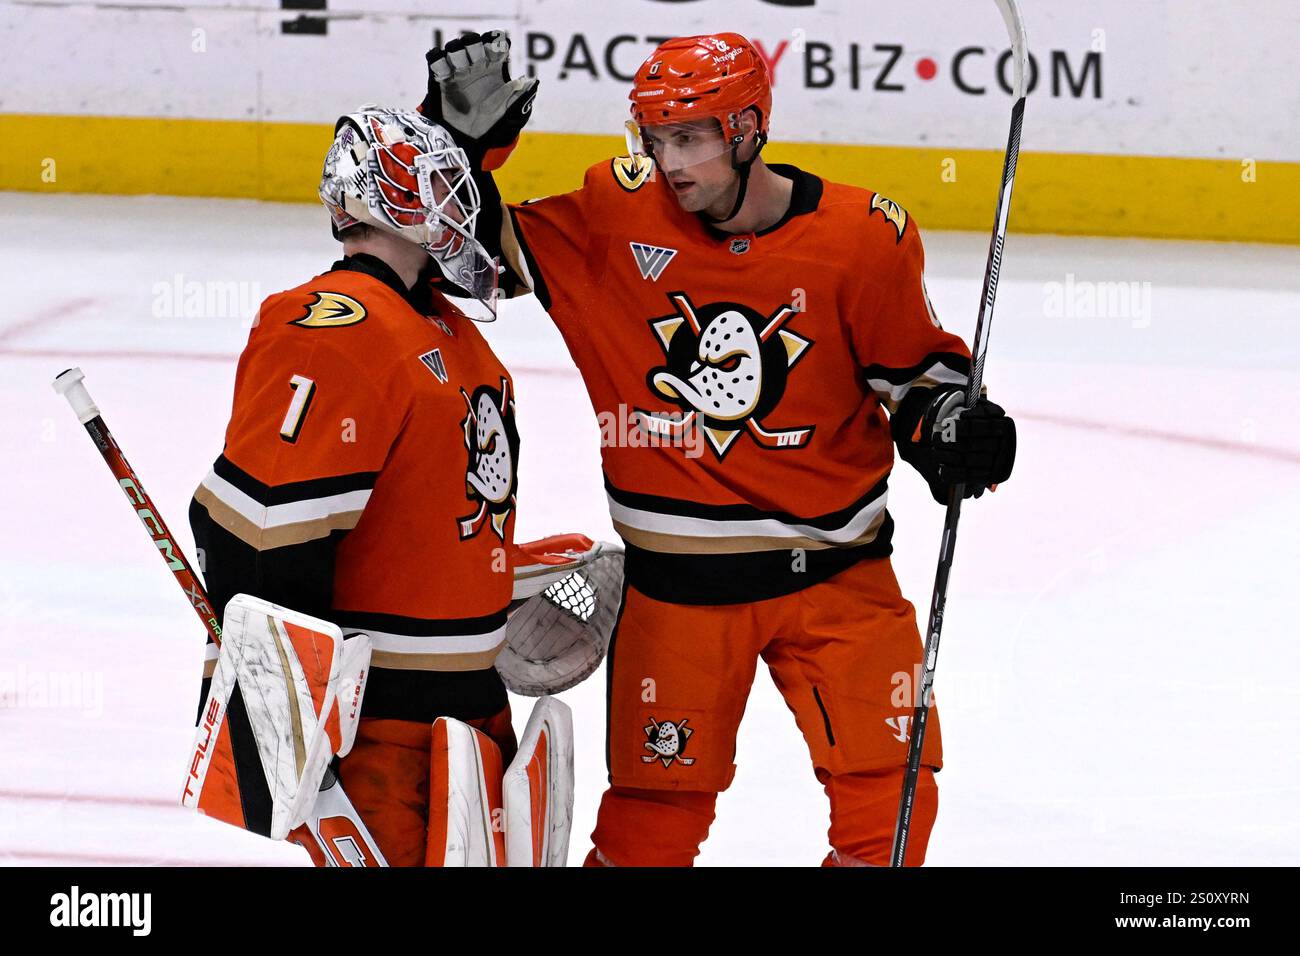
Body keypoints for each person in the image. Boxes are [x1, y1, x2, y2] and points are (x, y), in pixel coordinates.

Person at [421, 31, 1017, 866]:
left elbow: (916, 380)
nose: (668, 161)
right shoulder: (613, 217)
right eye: (655, 139)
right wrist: (457, 148)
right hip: (680, 595)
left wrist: (953, 430)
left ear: (746, 129)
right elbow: (466, 257)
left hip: (840, 577)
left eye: (691, 138)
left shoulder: (861, 236)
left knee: (892, 813)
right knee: (649, 827)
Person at [188, 106, 521, 865]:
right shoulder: (332, 327)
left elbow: (430, 511)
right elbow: (262, 530)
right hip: (383, 726)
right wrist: (286, 716)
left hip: (474, 710)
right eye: (438, 180)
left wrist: (513, 579)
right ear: (382, 196)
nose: (458, 197)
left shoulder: (445, 324)